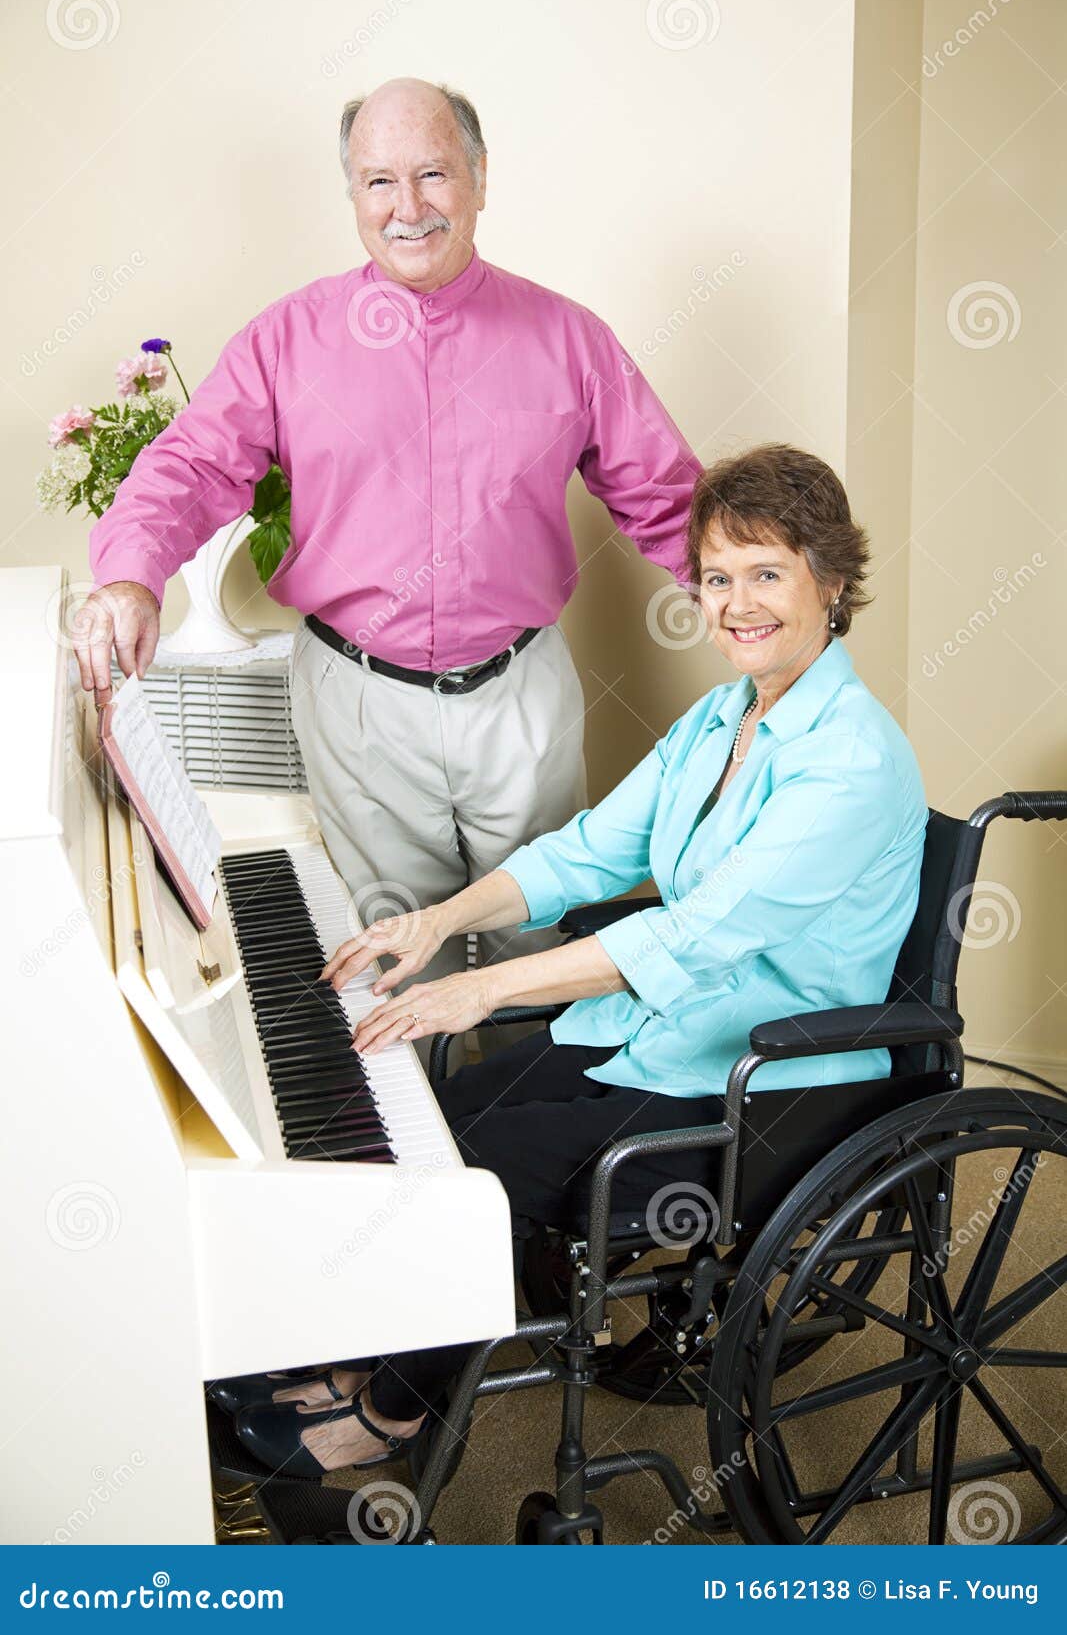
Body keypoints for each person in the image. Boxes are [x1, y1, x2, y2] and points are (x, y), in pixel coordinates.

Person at [222, 442, 929, 1478]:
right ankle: (374, 1351)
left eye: (765, 573)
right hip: (663, 1031)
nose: (735, 603)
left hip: (767, 1078)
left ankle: (393, 1405)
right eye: (716, 578)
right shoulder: (722, 718)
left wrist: (482, 986)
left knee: (468, 1172)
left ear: (829, 579)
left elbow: (694, 935)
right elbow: (591, 848)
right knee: (439, 1118)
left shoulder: (852, 758)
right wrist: (434, 925)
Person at [72, 77, 701, 1023]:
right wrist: (129, 575)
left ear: (480, 179)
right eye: (378, 182)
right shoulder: (286, 340)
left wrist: (763, 598)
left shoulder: (570, 338)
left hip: (520, 698)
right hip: (358, 705)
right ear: (353, 197)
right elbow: (194, 465)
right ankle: (436, 1171)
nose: (407, 208)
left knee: (535, 962)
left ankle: (526, 1163)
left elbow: (666, 496)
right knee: (396, 966)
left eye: (433, 175)